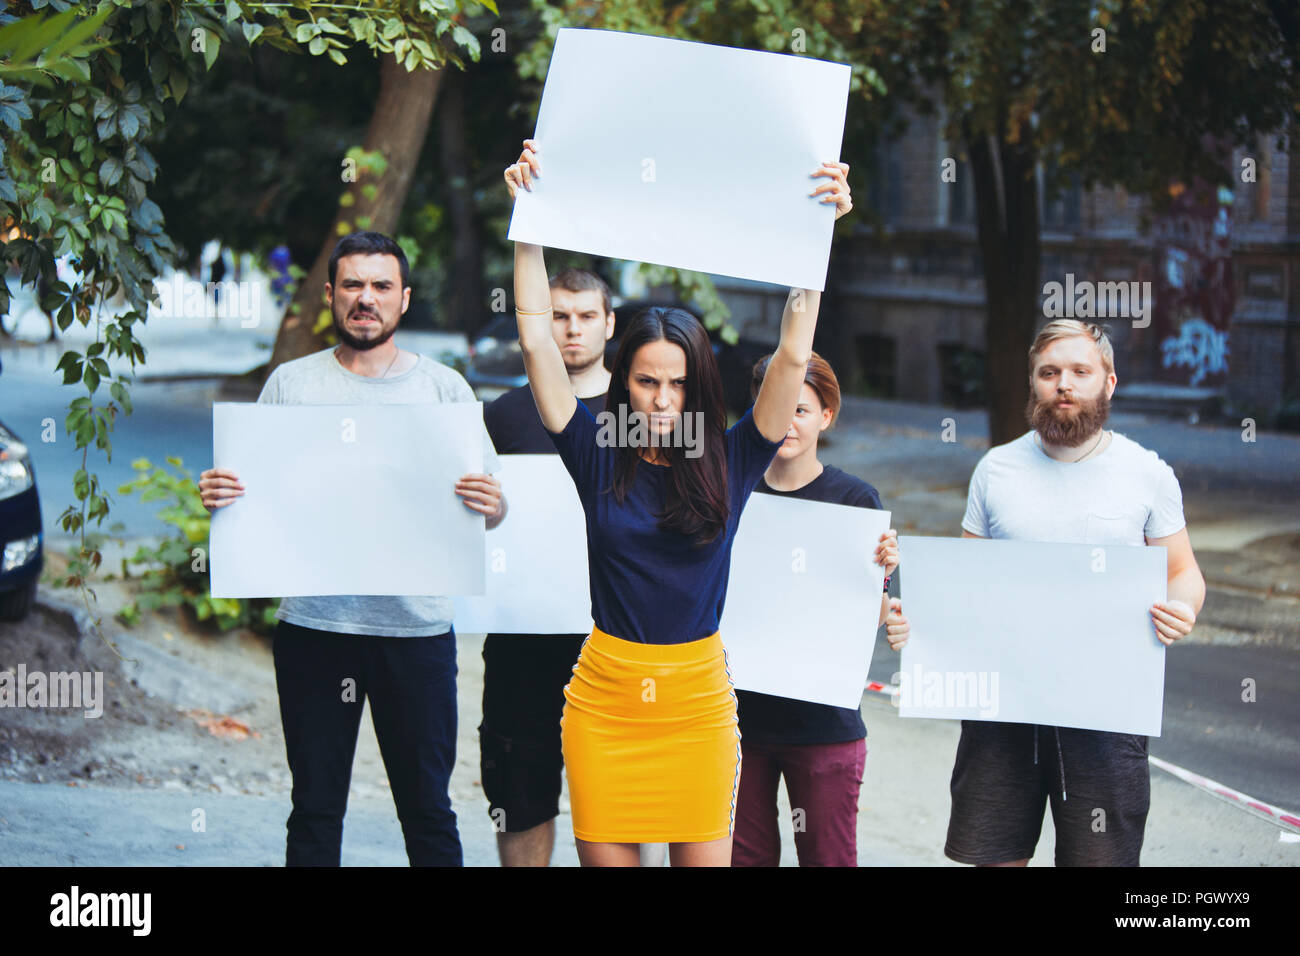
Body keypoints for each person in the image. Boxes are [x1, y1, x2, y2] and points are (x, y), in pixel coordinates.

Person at [504, 138, 853, 866]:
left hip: (697, 708)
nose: (662, 399)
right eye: (645, 382)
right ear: (622, 381)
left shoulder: (735, 452)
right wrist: (529, 218)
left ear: (700, 385)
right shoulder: (591, 445)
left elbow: (793, 357)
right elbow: (538, 341)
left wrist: (815, 231)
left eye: (678, 384)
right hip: (602, 704)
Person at [198, 230, 506, 867]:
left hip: (417, 635)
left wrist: (492, 504)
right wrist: (223, 494)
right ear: (332, 295)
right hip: (315, 629)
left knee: (427, 809)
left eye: (381, 286)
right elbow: (257, 494)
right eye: (353, 286)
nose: (366, 298)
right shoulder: (291, 384)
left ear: (404, 299)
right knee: (314, 806)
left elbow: (495, 509)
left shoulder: (446, 391)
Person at [947, 318, 1206, 867]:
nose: (1064, 383)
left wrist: (1182, 607)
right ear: (1034, 383)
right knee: (993, 857)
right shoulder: (996, 469)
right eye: (1049, 372)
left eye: (1080, 371)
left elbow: (1183, 571)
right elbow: (962, 581)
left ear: (1108, 383)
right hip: (1003, 707)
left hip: (1108, 710)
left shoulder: (1147, 474)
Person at [731, 351, 910, 867]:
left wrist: (889, 603)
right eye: (776, 405)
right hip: (740, 721)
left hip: (824, 724)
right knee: (744, 860)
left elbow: (866, 614)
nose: (787, 422)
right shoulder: (731, 488)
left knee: (827, 859)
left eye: (802, 410)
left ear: (827, 416)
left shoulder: (855, 500)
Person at [478, 267, 615, 866]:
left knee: (615, 802)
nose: (572, 329)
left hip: (615, 642)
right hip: (521, 639)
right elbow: (470, 517)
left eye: (586, 316)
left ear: (610, 324)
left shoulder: (646, 410)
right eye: (558, 315)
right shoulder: (504, 414)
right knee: (520, 793)